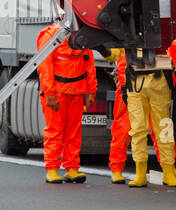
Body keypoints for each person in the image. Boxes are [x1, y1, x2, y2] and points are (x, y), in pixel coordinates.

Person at [36, 20, 96, 183]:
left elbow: (88, 63)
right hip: (57, 94)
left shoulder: (82, 38)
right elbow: (45, 68)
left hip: (76, 93)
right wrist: (50, 94)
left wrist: (91, 90)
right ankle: (52, 169)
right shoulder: (51, 37)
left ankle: (72, 168)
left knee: (74, 133)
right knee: (55, 131)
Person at [123, 49, 176, 188]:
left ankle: (168, 172)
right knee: (138, 129)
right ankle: (141, 175)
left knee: (163, 128)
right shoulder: (127, 32)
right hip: (136, 80)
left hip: (155, 78)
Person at [107, 48, 131, 183]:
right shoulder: (127, 44)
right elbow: (123, 65)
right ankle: (116, 169)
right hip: (129, 90)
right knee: (122, 130)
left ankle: (168, 168)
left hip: (150, 89)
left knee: (161, 130)